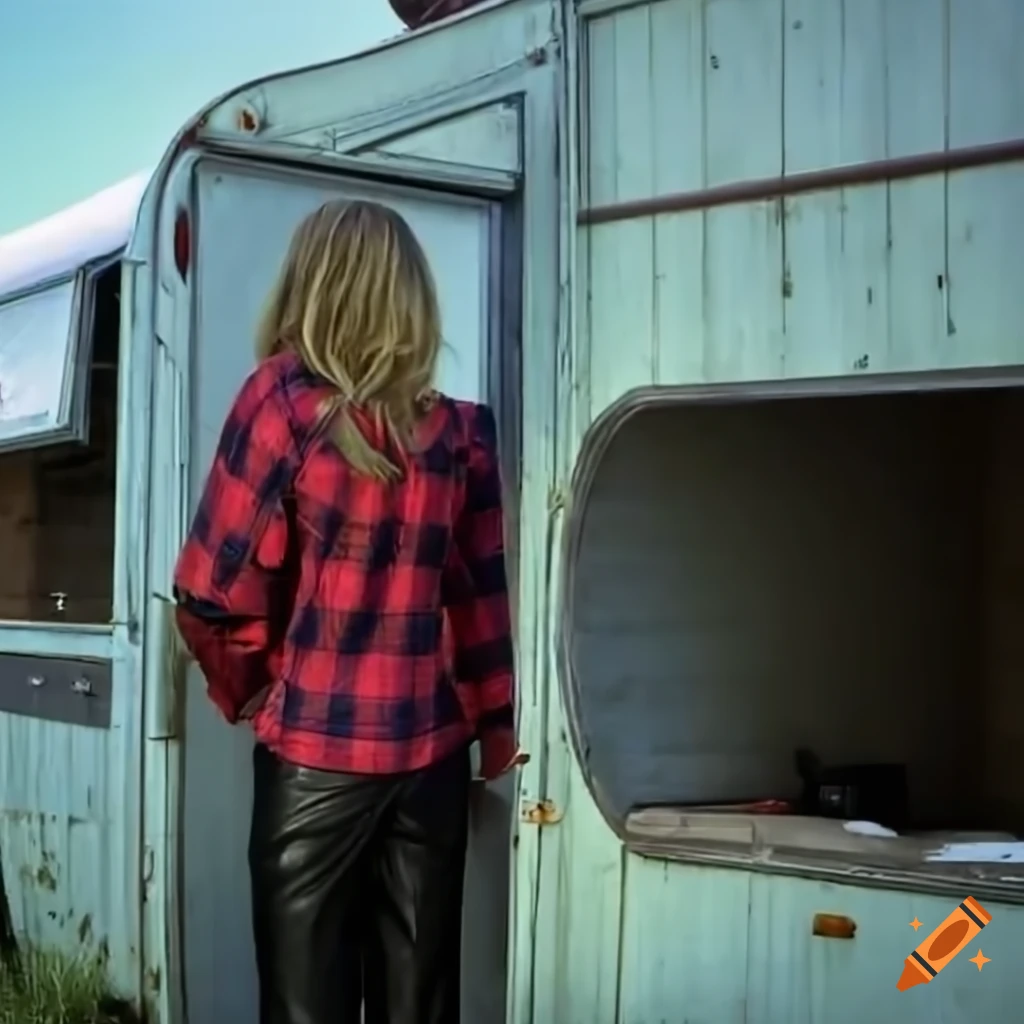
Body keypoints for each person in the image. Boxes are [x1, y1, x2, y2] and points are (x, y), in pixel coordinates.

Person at [172, 199, 525, 1024]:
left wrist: (259, 690)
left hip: (315, 763)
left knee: (305, 1010)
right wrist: (495, 731)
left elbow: (210, 595)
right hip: (429, 761)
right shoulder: (464, 435)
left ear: (312, 283)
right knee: (420, 1006)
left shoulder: (282, 405)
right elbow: (481, 609)